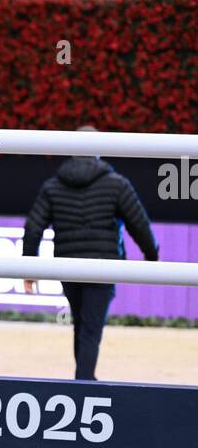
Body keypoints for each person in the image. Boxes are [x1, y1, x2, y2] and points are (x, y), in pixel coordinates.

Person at [22, 127, 158, 381]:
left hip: (68, 265)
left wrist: (28, 269)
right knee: (91, 328)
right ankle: (84, 382)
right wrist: (152, 257)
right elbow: (139, 223)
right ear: (98, 149)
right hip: (103, 266)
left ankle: (83, 380)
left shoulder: (53, 186)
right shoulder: (116, 183)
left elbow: (33, 228)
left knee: (81, 324)